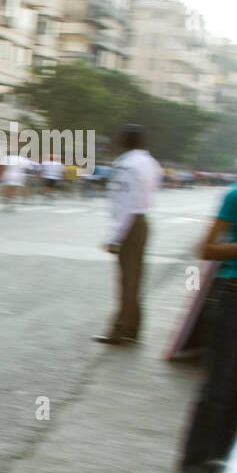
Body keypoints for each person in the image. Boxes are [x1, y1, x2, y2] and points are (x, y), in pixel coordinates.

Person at [176, 144, 237, 473]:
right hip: (234, 298)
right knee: (219, 388)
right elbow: (207, 249)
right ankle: (195, 465)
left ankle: (224, 464)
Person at [94, 124, 160, 345]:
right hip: (142, 221)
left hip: (130, 224)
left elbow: (124, 203)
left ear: (124, 141)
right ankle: (133, 327)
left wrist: (114, 237)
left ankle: (120, 329)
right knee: (135, 278)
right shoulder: (150, 162)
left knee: (127, 280)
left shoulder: (126, 165)